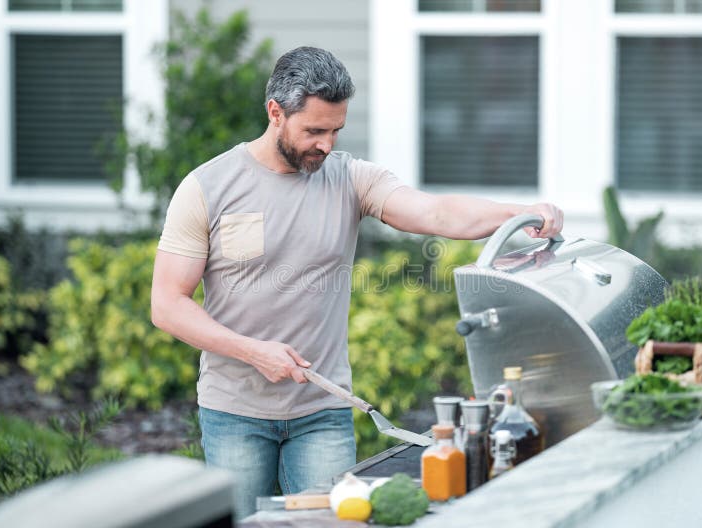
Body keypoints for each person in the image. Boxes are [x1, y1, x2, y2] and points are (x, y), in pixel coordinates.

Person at [151, 46, 563, 520]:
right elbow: (167, 304)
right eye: (314, 131)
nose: (326, 145)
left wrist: (517, 215)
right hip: (235, 411)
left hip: (322, 411)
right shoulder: (208, 187)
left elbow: (434, 212)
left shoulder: (348, 178)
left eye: (335, 130)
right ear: (275, 113)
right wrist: (252, 351)